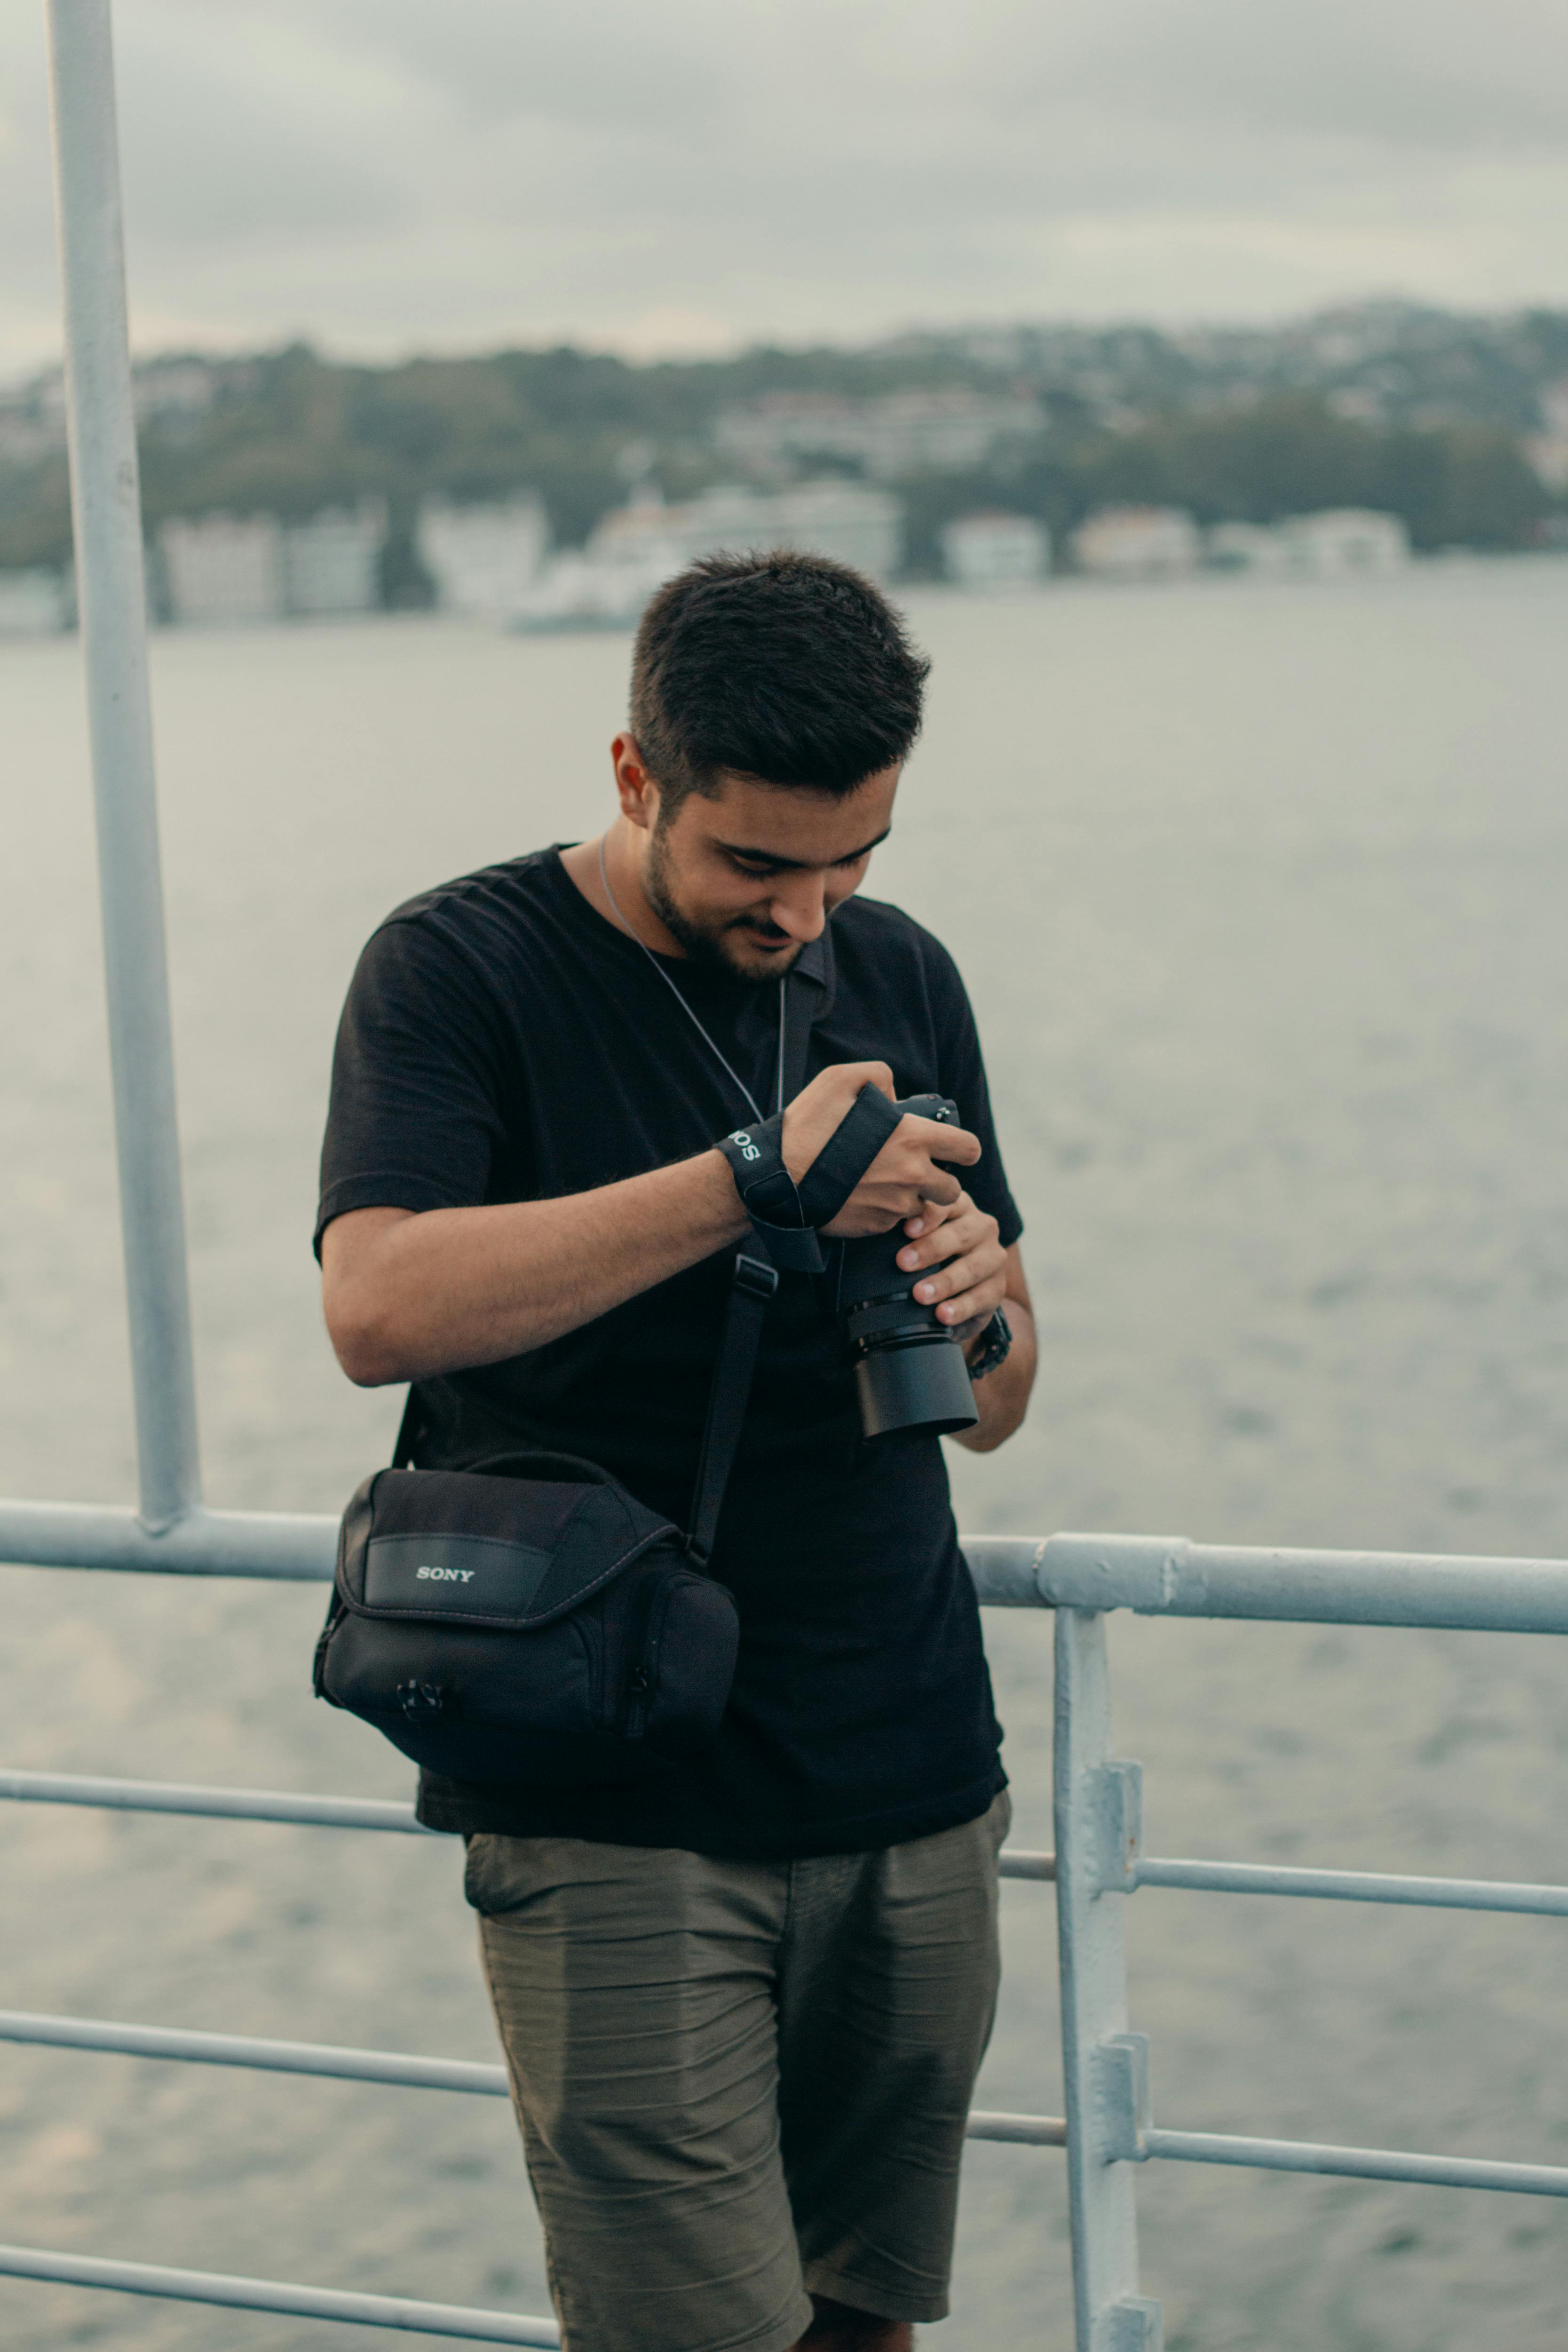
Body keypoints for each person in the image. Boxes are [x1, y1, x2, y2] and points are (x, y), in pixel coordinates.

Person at [315, 550, 1037, 2352]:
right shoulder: (458, 965)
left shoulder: (903, 972)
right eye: (757, 864)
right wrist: (746, 1184)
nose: (809, 911)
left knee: (868, 2316)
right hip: (613, 1783)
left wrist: (989, 1301)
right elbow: (376, 1306)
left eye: (856, 853)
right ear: (636, 775)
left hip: (908, 1755)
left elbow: (1005, 1403)